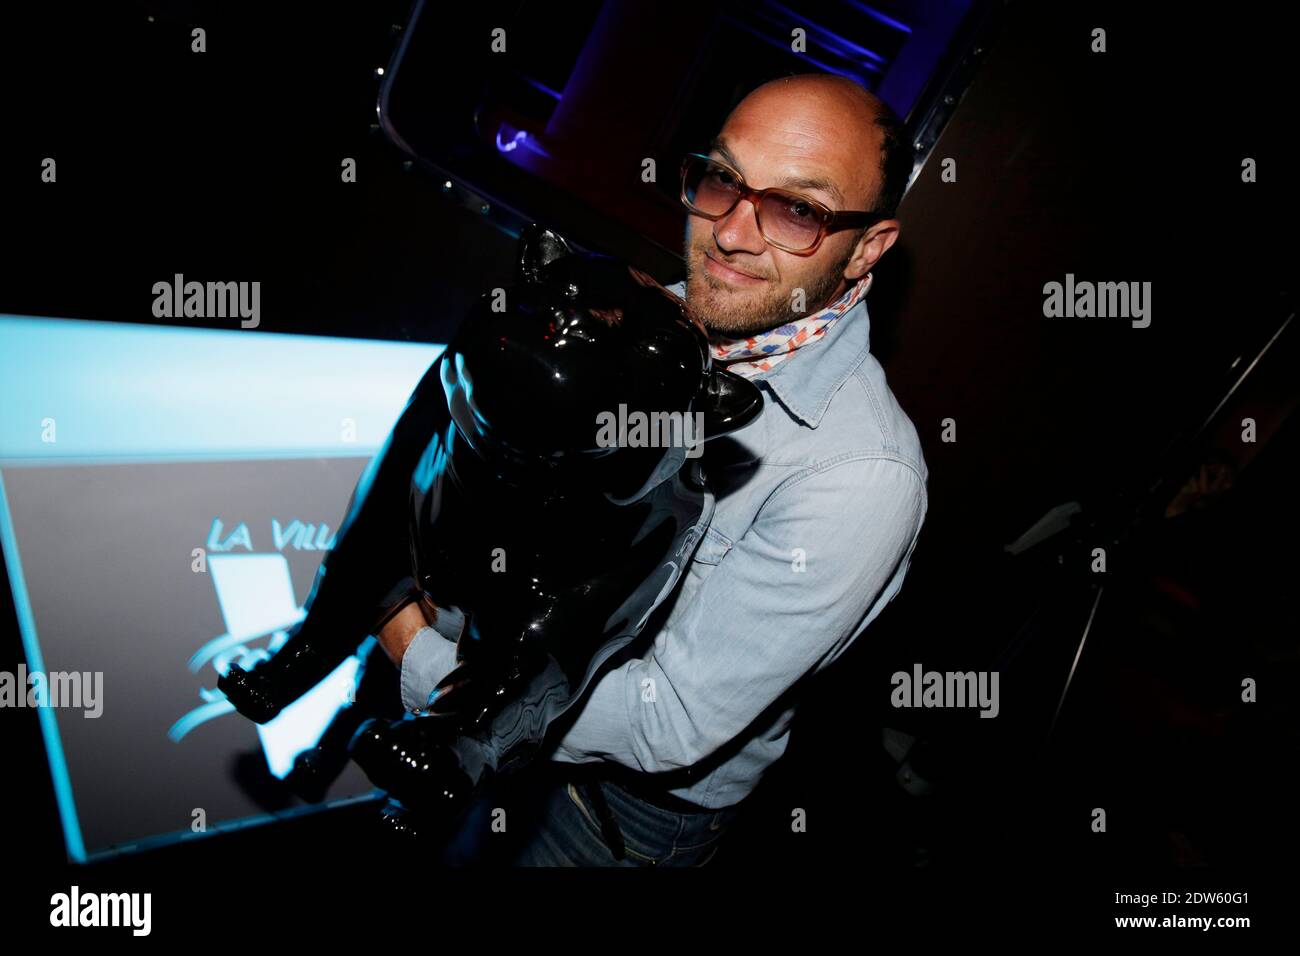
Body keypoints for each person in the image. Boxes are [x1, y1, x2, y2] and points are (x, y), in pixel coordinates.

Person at [375, 72, 929, 866]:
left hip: (604, 811)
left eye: (797, 210)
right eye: (724, 180)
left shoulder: (859, 474)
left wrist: (413, 648)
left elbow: (666, 721)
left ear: (868, 246)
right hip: (479, 706)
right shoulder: (650, 316)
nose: (733, 232)